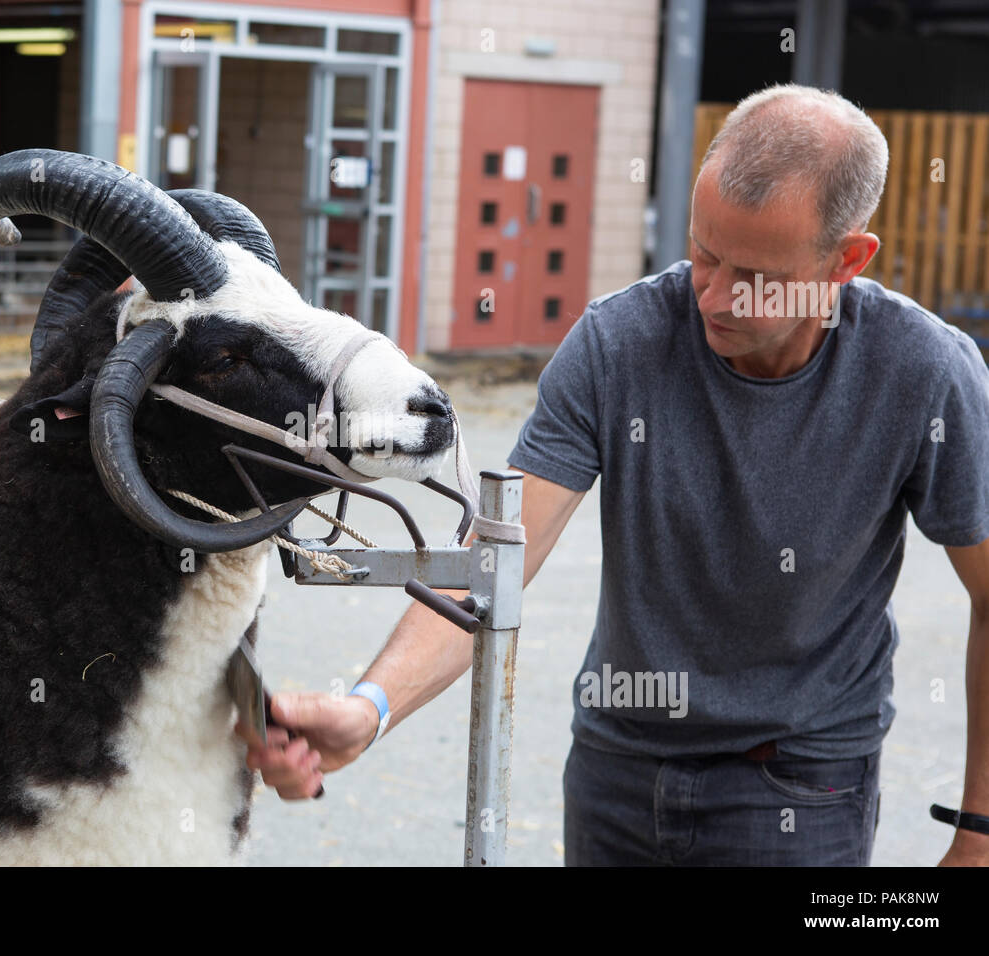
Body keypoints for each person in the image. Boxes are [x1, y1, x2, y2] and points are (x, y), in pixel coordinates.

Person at [237, 84, 989, 866]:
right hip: (618, 770)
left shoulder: (923, 375)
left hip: (799, 788)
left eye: (757, 276)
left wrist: (978, 836)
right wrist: (370, 707)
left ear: (846, 261)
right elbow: (499, 558)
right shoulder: (620, 342)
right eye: (704, 253)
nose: (715, 296)